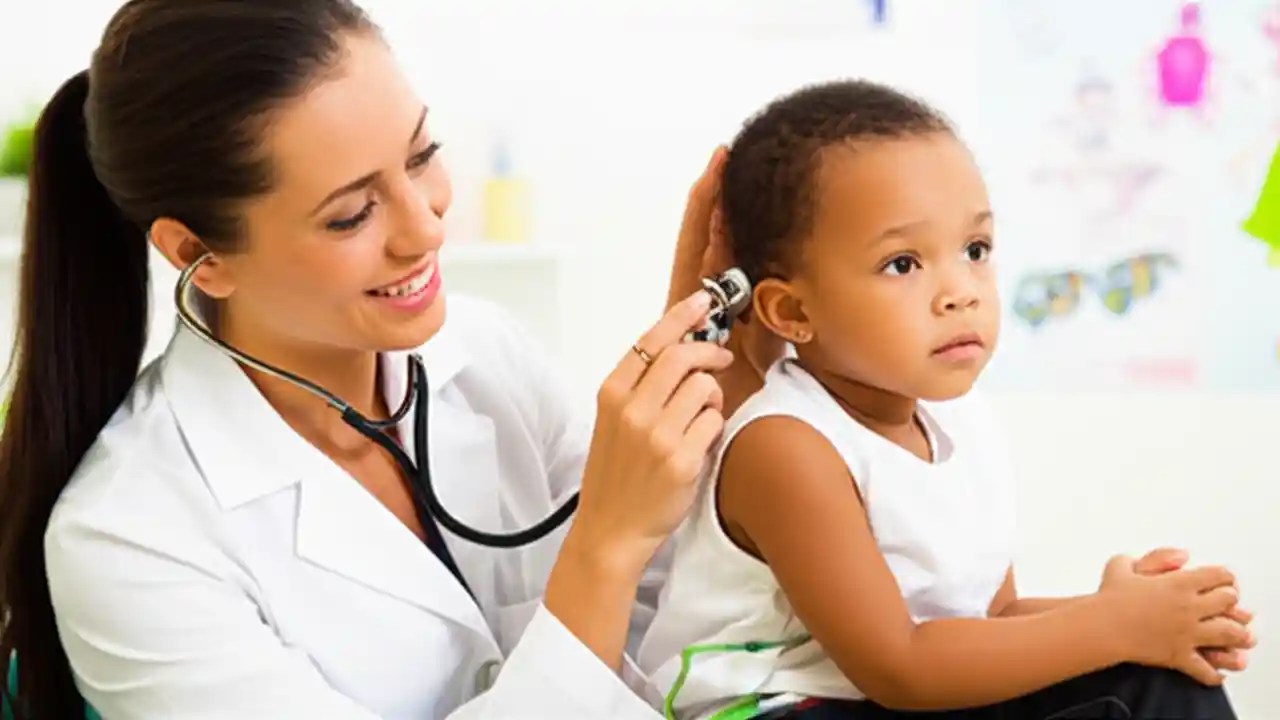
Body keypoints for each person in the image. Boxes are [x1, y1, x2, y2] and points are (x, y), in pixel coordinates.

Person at [0, 1, 765, 718]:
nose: (425, 229)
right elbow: (607, 572)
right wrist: (606, 544)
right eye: (351, 214)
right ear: (201, 254)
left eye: (421, 154)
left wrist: (716, 396)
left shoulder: (486, 352)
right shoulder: (129, 537)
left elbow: (669, 627)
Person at [637, 80, 1257, 719]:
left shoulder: (960, 423)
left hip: (902, 696)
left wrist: (1133, 616)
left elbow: (992, 619)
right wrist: (1111, 624)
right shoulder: (784, 446)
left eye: (975, 250)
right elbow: (901, 666)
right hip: (785, 709)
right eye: (903, 263)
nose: (960, 291)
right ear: (791, 310)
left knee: (1158, 681)